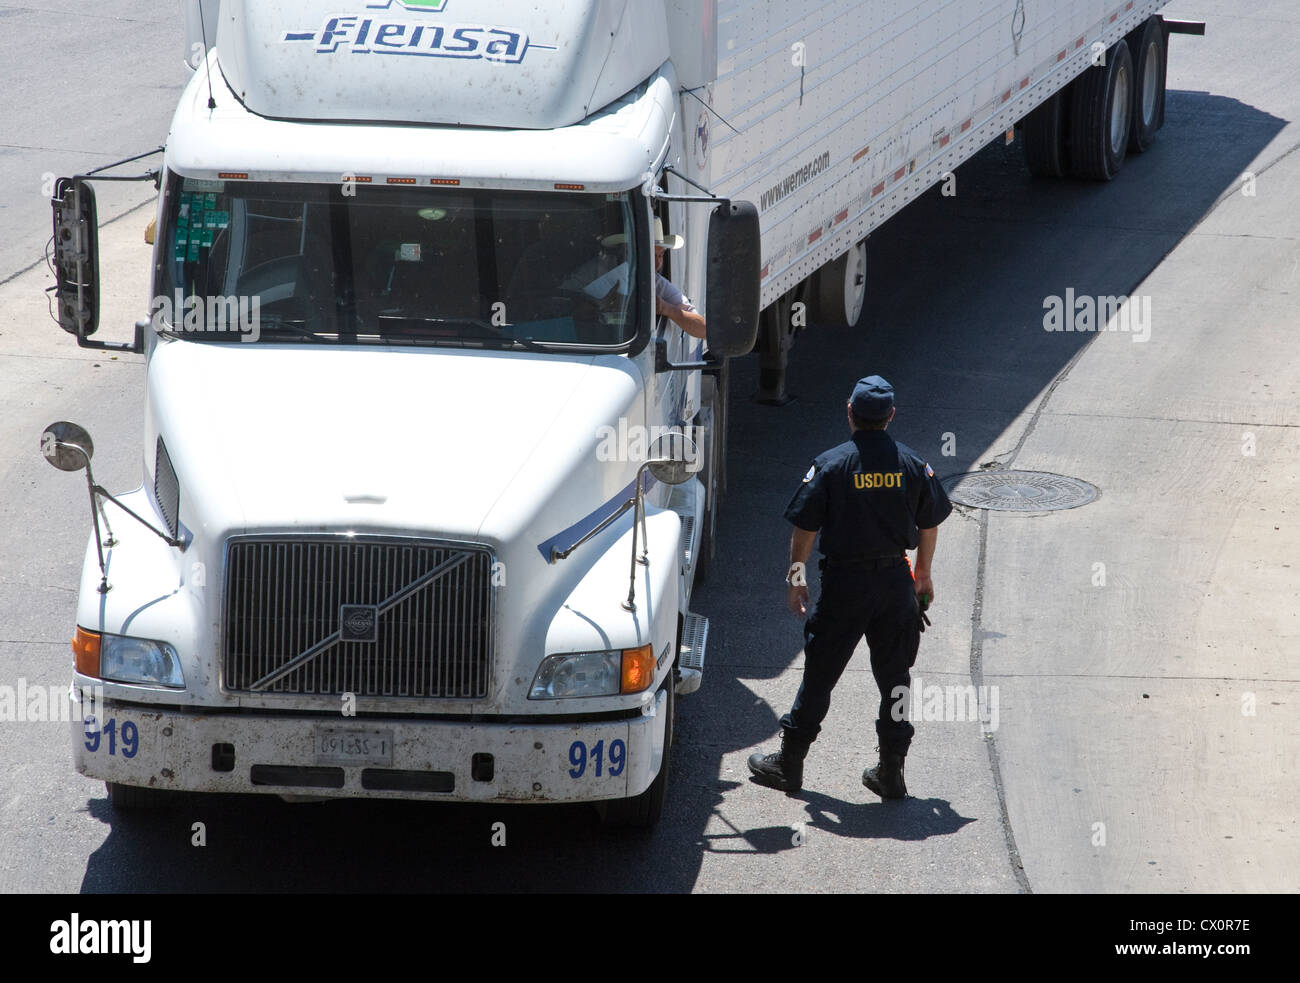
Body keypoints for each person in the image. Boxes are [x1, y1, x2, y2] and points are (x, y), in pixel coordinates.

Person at [747, 375, 952, 798]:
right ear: (891, 416)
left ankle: (790, 763)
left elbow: (805, 527)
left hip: (845, 585)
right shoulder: (913, 464)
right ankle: (891, 772)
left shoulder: (832, 465)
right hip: (896, 582)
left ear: (849, 413)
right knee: (896, 679)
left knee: (820, 674)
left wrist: (796, 578)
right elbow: (929, 522)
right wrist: (924, 575)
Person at [651, 219, 706, 340]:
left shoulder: (658, 283)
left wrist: (666, 308)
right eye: (651, 255)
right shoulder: (614, 277)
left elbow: (703, 330)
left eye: (660, 255)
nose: (657, 262)